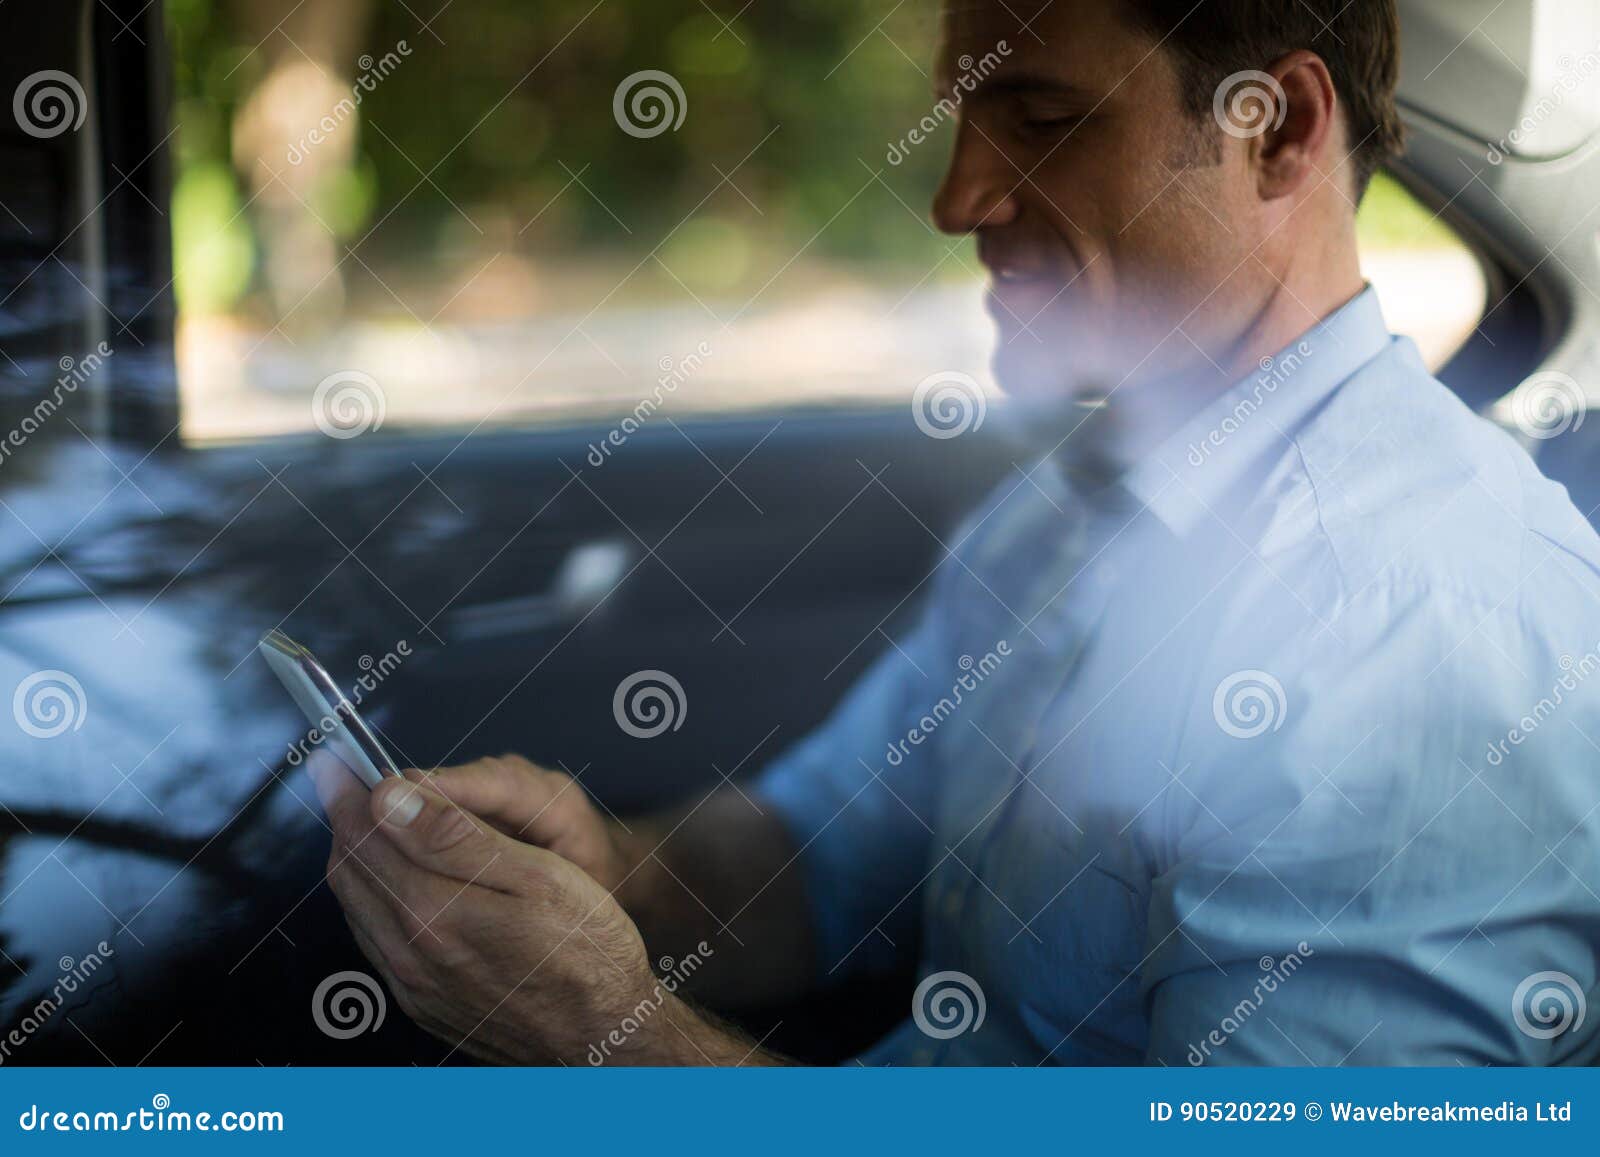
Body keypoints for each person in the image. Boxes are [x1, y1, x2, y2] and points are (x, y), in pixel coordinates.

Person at [313, 0, 1600, 1065]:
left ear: (1280, 131)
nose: (957, 197)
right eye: (961, 125)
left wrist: (601, 1032)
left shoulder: (1411, 636)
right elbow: (821, 855)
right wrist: (623, 869)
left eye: (1041, 120)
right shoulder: (1067, 503)